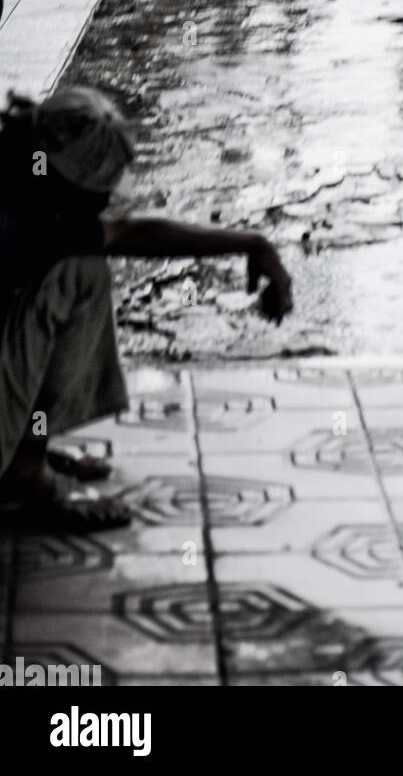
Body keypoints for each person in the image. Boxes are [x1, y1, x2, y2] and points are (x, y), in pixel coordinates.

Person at [0, 87, 293, 532]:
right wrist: (251, 244)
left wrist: (251, 242)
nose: (100, 206)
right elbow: (128, 235)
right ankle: (24, 473)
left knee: (80, 272)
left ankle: (29, 438)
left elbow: (128, 234)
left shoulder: (25, 169)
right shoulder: (25, 221)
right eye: (91, 196)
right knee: (72, 275)